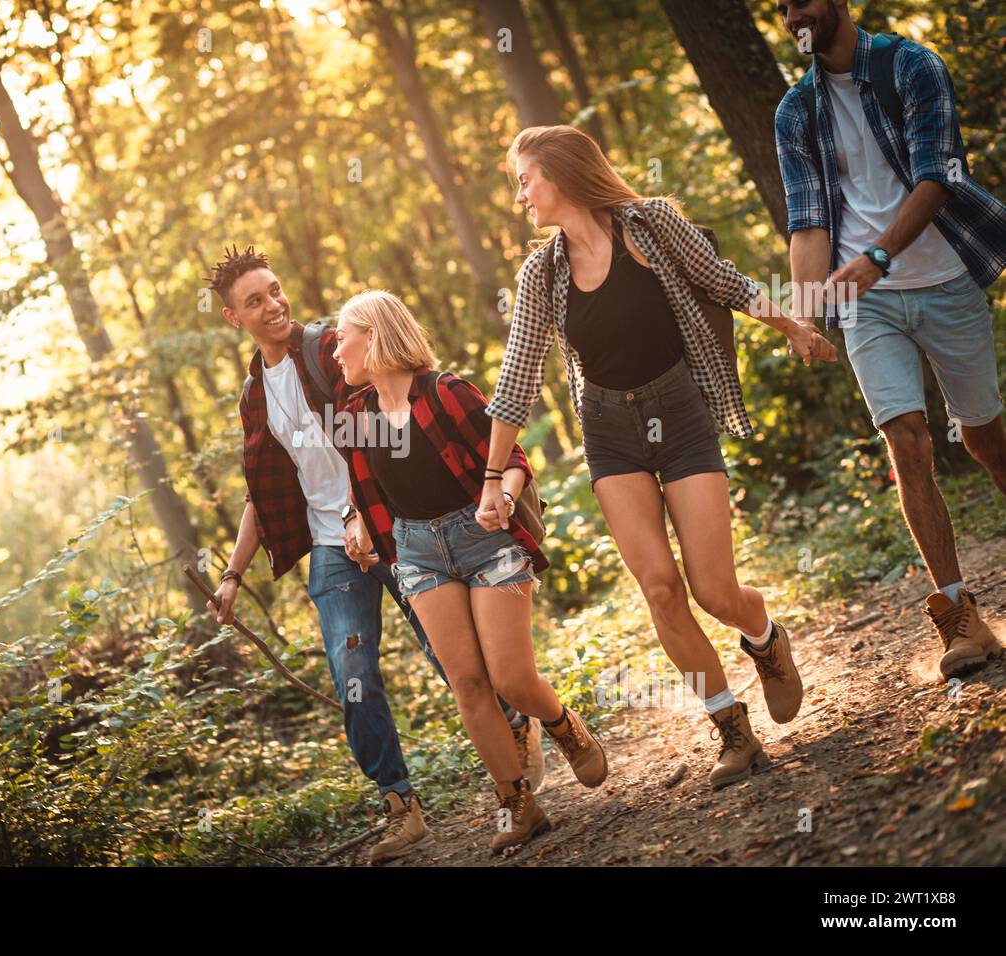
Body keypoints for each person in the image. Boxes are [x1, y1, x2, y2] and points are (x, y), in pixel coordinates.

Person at [483, 125, 838, 788]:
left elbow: (726, 283)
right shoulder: (543, 273)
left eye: (526, 179)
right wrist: (488, 478)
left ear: (559, 176)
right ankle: (732, 728)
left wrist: (792, 323)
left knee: (714, 589)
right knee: (662, 591)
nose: (522, 195)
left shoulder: (650, 226)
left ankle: (764, 637)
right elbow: (516, 380)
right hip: (610, 430)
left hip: (679, 411)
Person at [205, 246, 543, 863]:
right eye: (254, 301)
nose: (273, 304)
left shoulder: (332, 350)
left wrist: (371, 512)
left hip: (395, 528)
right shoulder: (255, 396)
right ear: (234, 318)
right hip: (331, 549)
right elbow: (261, 493)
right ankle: (399, 804)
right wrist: (231, 574)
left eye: (275, 290)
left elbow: (395, 419)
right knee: (352, 676)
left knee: (457, 665)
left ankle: (516, 732)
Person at [774, 0, 1006, 679]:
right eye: (783, 6)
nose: (795, 14)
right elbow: (808, 220)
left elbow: (938, 175)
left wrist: (878, 256)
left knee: (987, 439)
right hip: (866, 305)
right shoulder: (795, 111)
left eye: (803, 0)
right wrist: (805, 311)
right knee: (906, 439)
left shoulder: (911, 66)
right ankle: (959, 616)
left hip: (942, 280)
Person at [334, 289, 607, 854]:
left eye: (342, 337)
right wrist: (356, 521)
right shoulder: (356, 416)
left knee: (510, 676)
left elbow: (512, 459)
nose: (336, 351)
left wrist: (502, 499)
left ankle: (561, 726)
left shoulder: (446, 393)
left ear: (375, 333)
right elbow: (366, 491)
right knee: (468, 683)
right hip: (416, 551)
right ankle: (517, 804)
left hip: (482, 538)